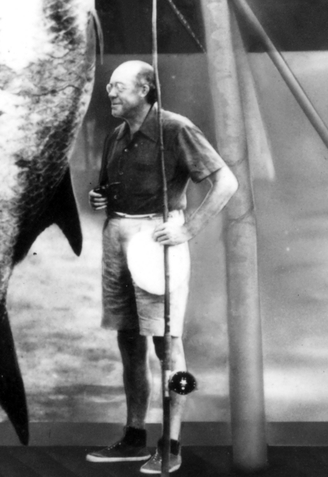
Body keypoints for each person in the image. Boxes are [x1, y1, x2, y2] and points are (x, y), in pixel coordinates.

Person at [86, 60, 238, 474]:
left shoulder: (176, 128)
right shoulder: (116, 136)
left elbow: (225, 182)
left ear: (146, 89)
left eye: (119, 87)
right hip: (117, 238)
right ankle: (134, 437)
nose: (110, 93)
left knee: (166, 344)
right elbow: (109, 191)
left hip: (156, 243)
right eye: (109, 87)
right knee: (128, 341)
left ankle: (170, 445)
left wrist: (190, 228)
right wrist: (102, 200)